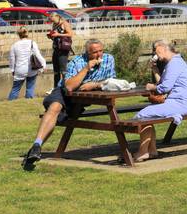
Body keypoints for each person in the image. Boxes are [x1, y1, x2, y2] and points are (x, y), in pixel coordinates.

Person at [22, 38, 116, 171]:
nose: (99, 55)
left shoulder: (109, 59)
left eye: (101, 51)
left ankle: (35, 149)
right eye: (95, 52)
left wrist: (94, 85)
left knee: (60, 116)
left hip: (81, 99)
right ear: (87, 53)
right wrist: (86, 69)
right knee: (55, 107)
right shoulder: (77, 62)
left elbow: (111, 80)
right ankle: (37, 146)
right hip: (63, 92)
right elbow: (69, 87)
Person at [129, 40, 187, 162]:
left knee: (143, 115)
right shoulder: (174, 62)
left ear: (162, 48)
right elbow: (163, 82)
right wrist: (155, 69)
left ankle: (143, 152)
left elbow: (164, 88)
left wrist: (151, 87)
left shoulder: (174, 64)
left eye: (155, 50)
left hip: (180, 104)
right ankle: (152, 151)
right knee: (148, 115)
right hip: (179, 103)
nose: (154, 53)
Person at [8, 28, 47, 100]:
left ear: (18, 35)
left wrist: (12, 69)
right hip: (31, 69)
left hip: (19, 69)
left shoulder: (14, 45)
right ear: (27, 34)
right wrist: (44, 65)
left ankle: (10, 102)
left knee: (15, 89)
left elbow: (12, 59)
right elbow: (38, 55)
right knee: (30, 88)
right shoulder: (32, 43)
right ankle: (29, 101)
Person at [48, 12, 74, 86]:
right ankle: (56, 87)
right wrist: (51, 36)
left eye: (51, 18)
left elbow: (70, 34)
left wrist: (58, 34)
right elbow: (56, 36)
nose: (51, 20)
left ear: (56, 17)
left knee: (63, 70)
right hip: (56, 48)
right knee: (56, 71)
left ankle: (65, 86)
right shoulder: (54, 24)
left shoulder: (64, 23)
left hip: (63, 49)